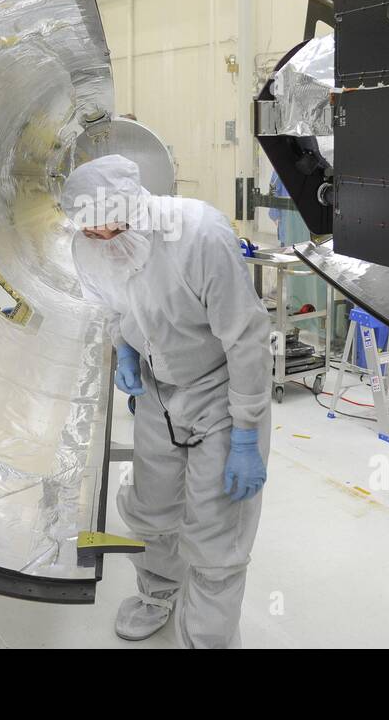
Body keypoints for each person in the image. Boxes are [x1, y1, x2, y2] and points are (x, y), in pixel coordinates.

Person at [61, 154, 271, 648]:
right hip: (158, 391)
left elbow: (245, 338)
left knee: (216, 534)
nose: (104, 241)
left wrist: (245, 432)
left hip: (220, 392)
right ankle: (157, 593)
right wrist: (127, 350)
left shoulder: (199, 235)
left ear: (138, 207)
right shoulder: (87, 246)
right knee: (151, 511)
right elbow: (112, 306)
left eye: (114, 229)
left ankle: (207, 639)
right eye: (92, 233)